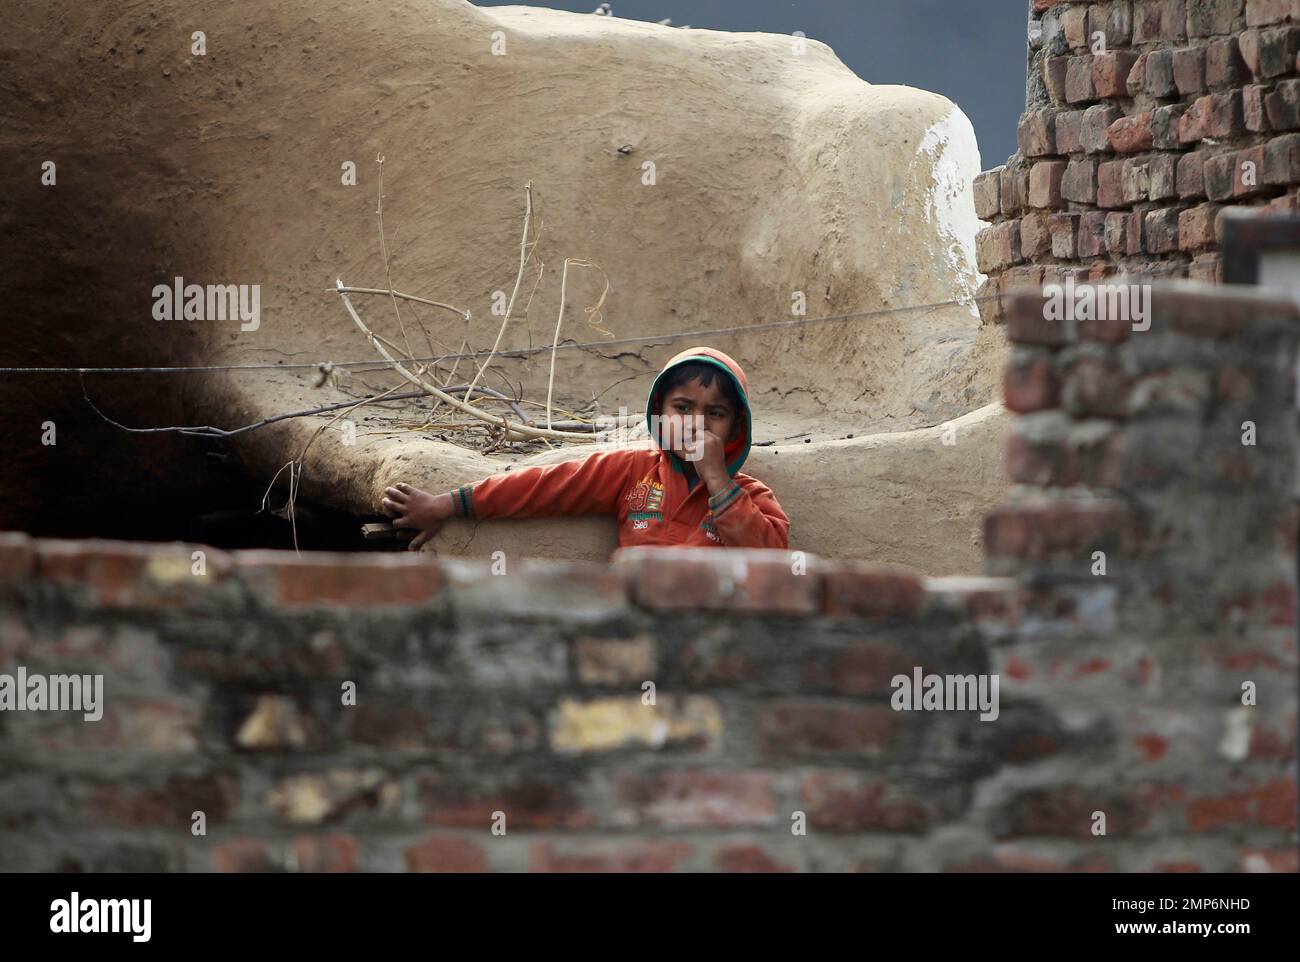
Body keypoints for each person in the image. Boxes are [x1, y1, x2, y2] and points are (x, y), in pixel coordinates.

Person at [381, 346, 789, 551]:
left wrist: (718, 482)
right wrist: (448, 505)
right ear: (659, 412)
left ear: (736, 427)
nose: (696, 423)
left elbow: (771, 560)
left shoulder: (752, 498)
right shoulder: (633, 471)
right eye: (682, 408)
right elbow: (546, 487)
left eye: (714, 413)